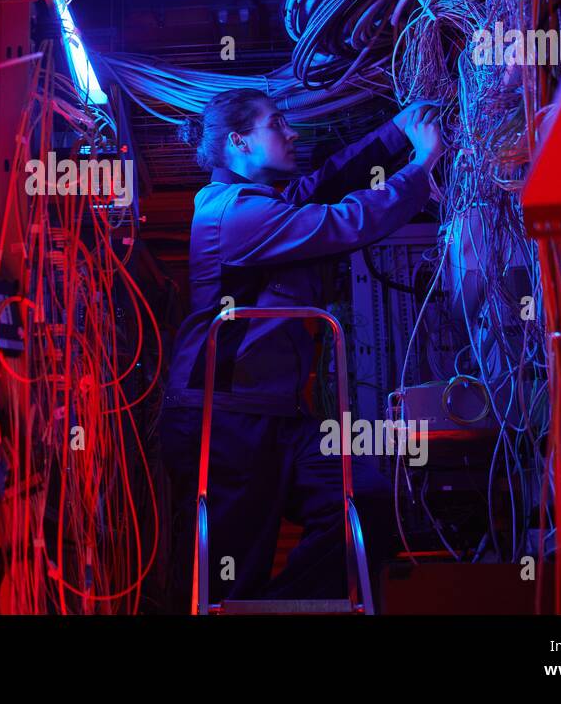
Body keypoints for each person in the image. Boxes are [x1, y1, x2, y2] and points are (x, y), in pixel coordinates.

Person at [160, 89, 443, 613]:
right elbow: (343, 222)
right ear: (239, 141)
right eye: (277, 124)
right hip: (220, 422)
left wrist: (396, 133)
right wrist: (423, 164)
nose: (292, 133)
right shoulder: (232, 214)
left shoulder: (261, 203)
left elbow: (325, 185)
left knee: (367, 498)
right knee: (230, 578)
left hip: (276, 419)